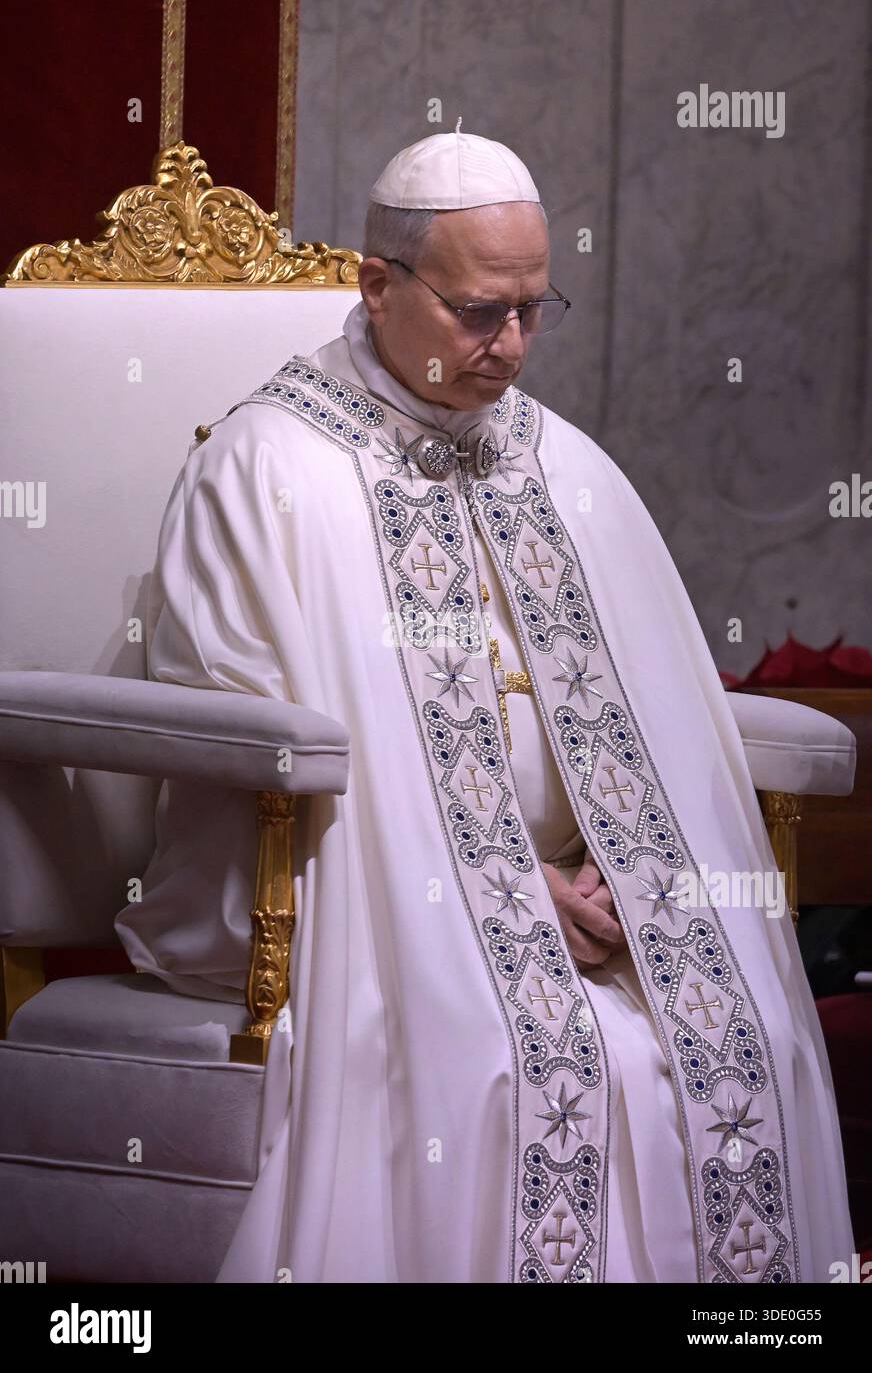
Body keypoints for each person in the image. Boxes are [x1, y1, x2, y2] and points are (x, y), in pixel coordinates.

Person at [116, 124, 855, 1283]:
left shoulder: (561, 463)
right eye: (476, 312)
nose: (509, 346)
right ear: (376, 286)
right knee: (529, 1056)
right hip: (348, 900)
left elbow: (653, 713)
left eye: (532, 308)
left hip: (576, 902)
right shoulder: (266, 471)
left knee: (736, 1038)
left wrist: (624, 861)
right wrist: (491, 891)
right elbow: (252, 746)